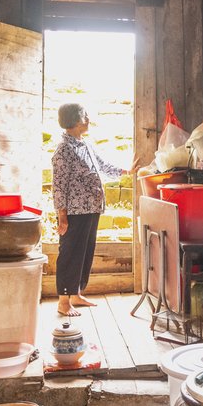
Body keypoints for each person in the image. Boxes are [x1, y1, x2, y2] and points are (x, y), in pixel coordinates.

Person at [51, 103, 127, 317]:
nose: (88, 120)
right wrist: (62, 215)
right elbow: (59, 185)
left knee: (84, 253)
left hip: (91, 208)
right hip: (74, 212)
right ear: (75, 121)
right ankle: (63, 301)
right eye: (85, 116)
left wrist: (126, 171)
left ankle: (75, 294)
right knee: (70, 254)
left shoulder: (84, 144)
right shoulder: (64, 150)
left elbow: (102, 166)